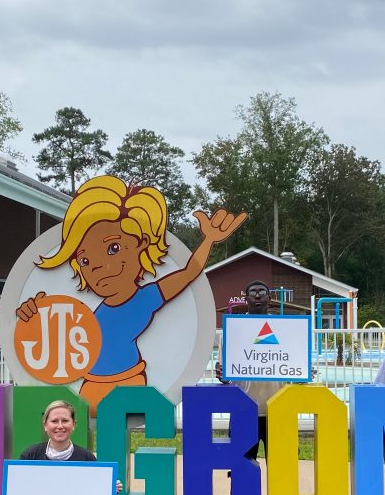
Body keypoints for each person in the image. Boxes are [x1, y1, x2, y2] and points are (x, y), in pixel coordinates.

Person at [17, 175, 245, 412]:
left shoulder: (147, 298)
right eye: (84, 260)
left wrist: (209, 240)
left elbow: (189, 273)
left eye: (113, 248)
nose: (95, 266)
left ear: (142, 243)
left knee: (115, 426)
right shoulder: (85, 312)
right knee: (86, 426)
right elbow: (57, 334)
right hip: (91, 384)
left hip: (129, 381)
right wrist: (33, 314)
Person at [215, 280, 292, 495]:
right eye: (253, 292)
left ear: (269, 298)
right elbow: (223, 370)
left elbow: (294, 362)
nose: (257, 296)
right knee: (241, 463)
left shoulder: (286, 330)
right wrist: (223, 374)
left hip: (277, 409)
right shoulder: (233, 330)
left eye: (262, 292)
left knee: (281, 465)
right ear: (245, 298)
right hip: (244, 409)